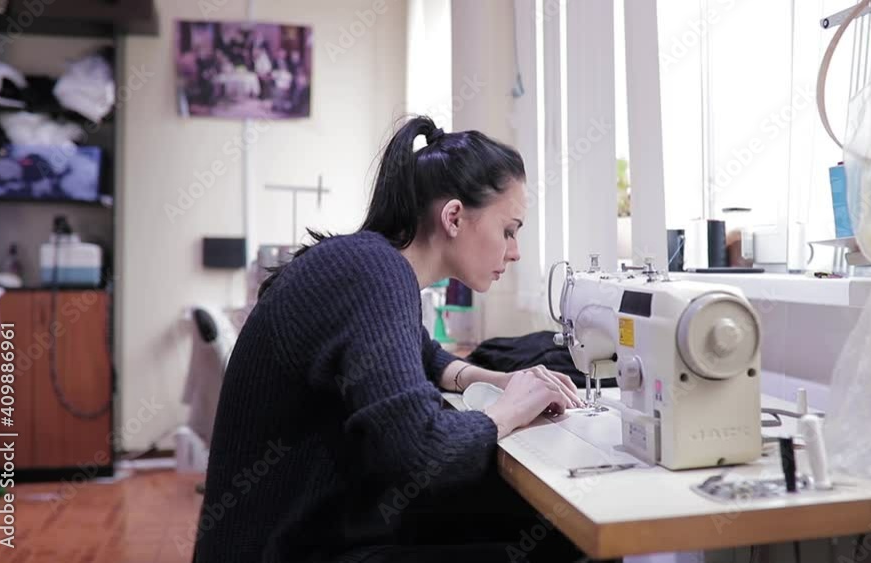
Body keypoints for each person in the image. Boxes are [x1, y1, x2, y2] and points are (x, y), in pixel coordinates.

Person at [194, 115, 588, 563]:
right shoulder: (375, 273)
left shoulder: (368, 261)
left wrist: (495, 380)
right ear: (454, 217)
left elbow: (422, 352)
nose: (515, 251)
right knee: (557, 541)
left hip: (308, 528)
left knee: (528, 520)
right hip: (289, 548)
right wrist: (511, 409)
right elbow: (420, 449)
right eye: (509, 230)